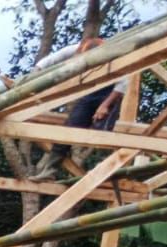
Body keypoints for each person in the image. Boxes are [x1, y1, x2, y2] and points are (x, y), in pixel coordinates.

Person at [30, 38, 127, 180]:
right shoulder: (77, 48)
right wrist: (35, 72)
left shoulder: (116, 54)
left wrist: (105, 105)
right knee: (69, 129)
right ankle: (49, 171)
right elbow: (52, 59)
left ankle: (106, 169)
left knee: (103, 132)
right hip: (91, 90)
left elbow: (122, 84)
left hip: (110, 93)